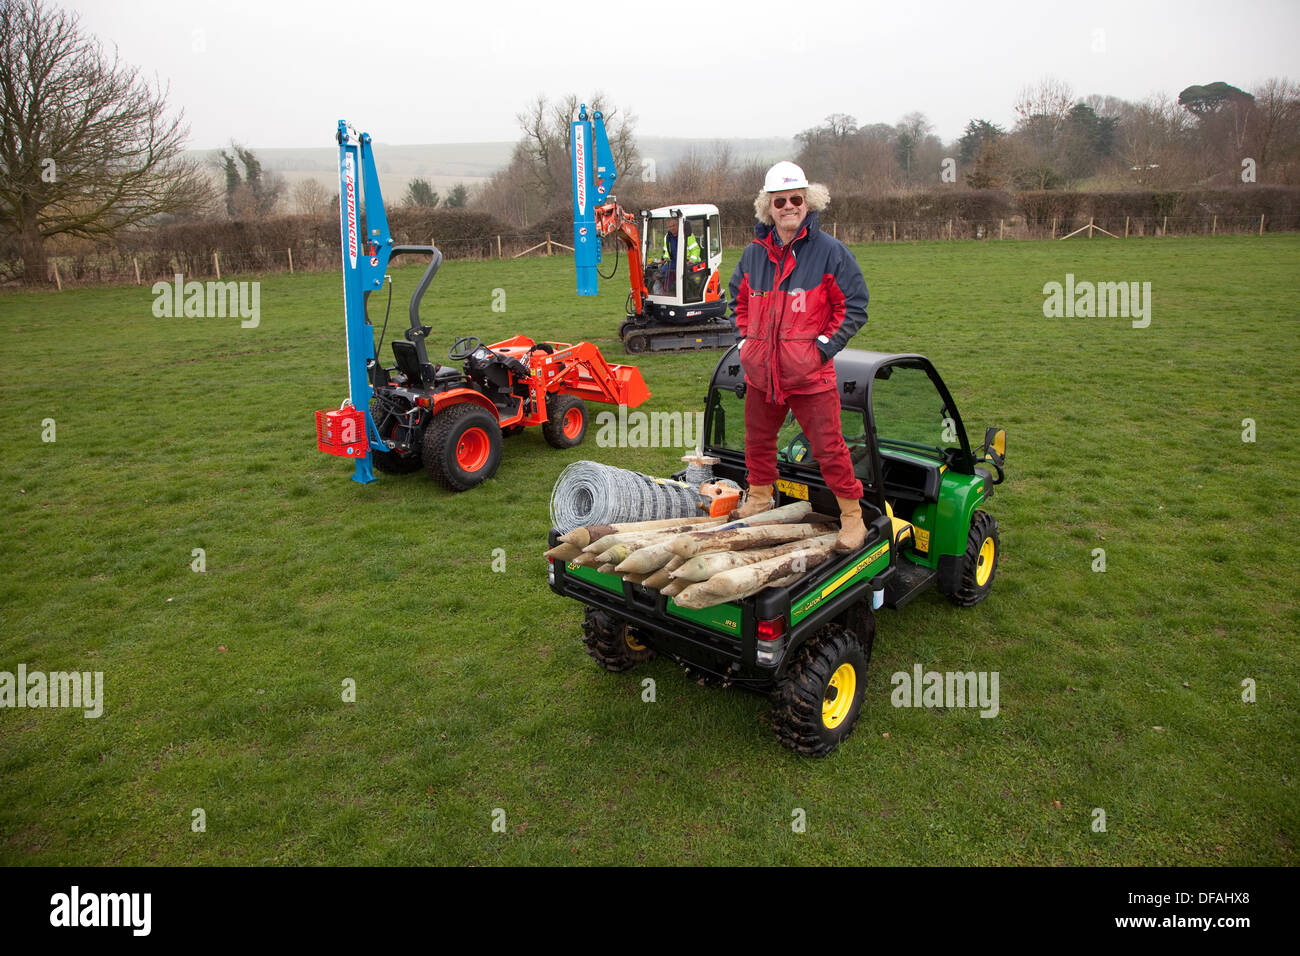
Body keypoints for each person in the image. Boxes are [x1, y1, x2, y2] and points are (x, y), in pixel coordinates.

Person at [727, 161, 870, 551]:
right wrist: (747, 342)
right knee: (757, 440)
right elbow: (736, 299)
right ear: (767, 207)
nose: (788, 207)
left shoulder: (831, 253)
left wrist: (821, 349)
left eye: (795, 199)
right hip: (762, 374)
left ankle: (852, 518)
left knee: (829, 447)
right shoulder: (755, 254)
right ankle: (758, 498)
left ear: (807, 202)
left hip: (810, 376)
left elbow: (854, 306)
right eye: (780, 201)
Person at [652, 217, 701, 295]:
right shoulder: (667, 237)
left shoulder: (687, 235)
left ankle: (685, 295)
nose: (672, 228)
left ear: (678, 225)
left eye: (673, 225)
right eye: (670, 226)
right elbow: (666, 252)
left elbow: (695, 249)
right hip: (673, 262)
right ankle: (662, 296)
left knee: (685, 281)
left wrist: (691, 261)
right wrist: (664, 259)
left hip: (686, 262)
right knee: (659, 275)